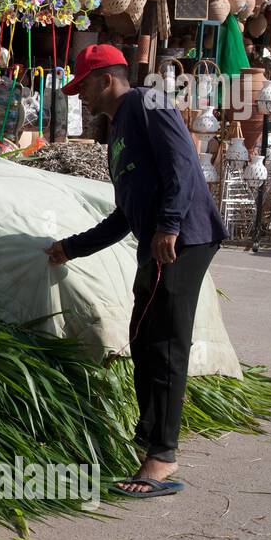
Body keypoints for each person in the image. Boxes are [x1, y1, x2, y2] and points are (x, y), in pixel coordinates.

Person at [43, 44, 227, 497]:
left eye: (83, 85)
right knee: (145, 337)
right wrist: (71, 248)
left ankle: (162, 458)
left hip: (183, 239)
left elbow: (182, 164)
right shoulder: (118, 128)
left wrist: (168, 225)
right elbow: (124, 213)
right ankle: (151, 444)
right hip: (161, 243)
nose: (80, 95)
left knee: (163, 343)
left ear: (106, 79)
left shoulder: (148, 103)